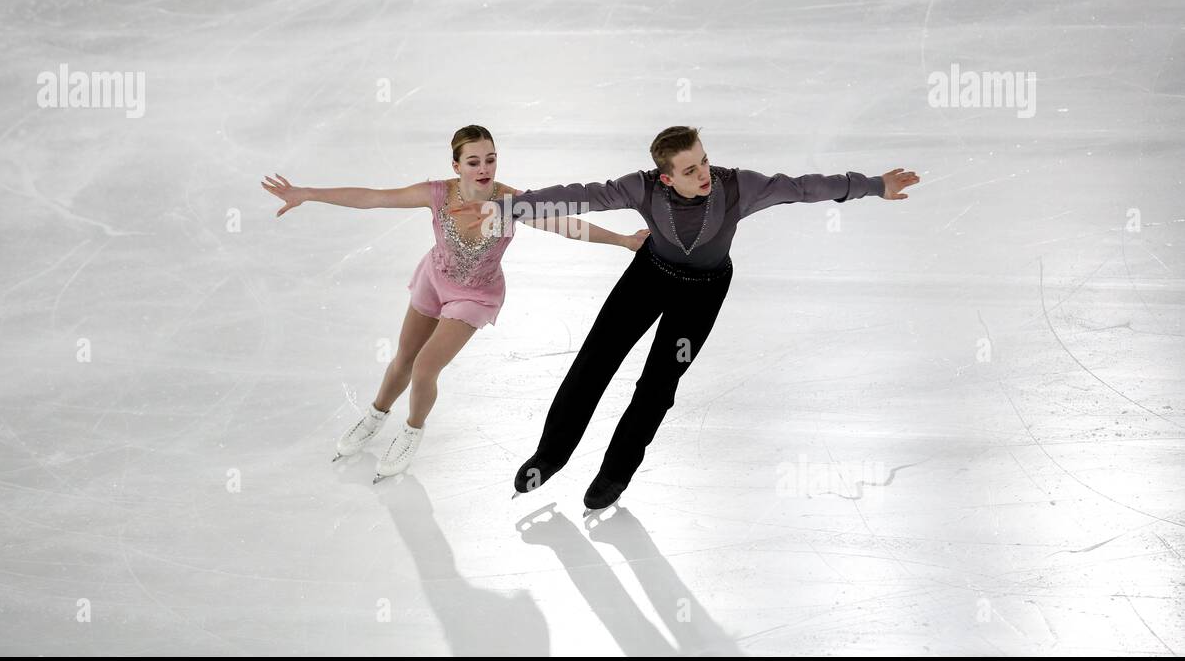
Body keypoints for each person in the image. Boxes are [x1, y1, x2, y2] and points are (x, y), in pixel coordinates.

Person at [451, 125, 919, 511]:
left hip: (703, 292)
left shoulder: (739, 186)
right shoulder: (642, 188)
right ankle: (550, 455)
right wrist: (506, 207)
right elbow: (581, 196)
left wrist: (874, 186)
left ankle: (615, 472)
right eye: (691, 169)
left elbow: (803, 188)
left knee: (658, 385)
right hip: (649, 276)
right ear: (667, 178)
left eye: (704, 161)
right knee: (594, 362)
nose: (704, 174)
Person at [261, 125, 648, 483]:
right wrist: (308, 193)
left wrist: (623, 240)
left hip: (475, 295)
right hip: (435, 279)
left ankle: (412, 430)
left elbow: (568, 224)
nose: (484, 169)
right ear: (456, 165)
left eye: (491, 159)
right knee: (404, 359)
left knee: (426, 366)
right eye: (474, 161)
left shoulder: (513, 202)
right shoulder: (439, 193)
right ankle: (376, 414)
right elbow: (375, 198)